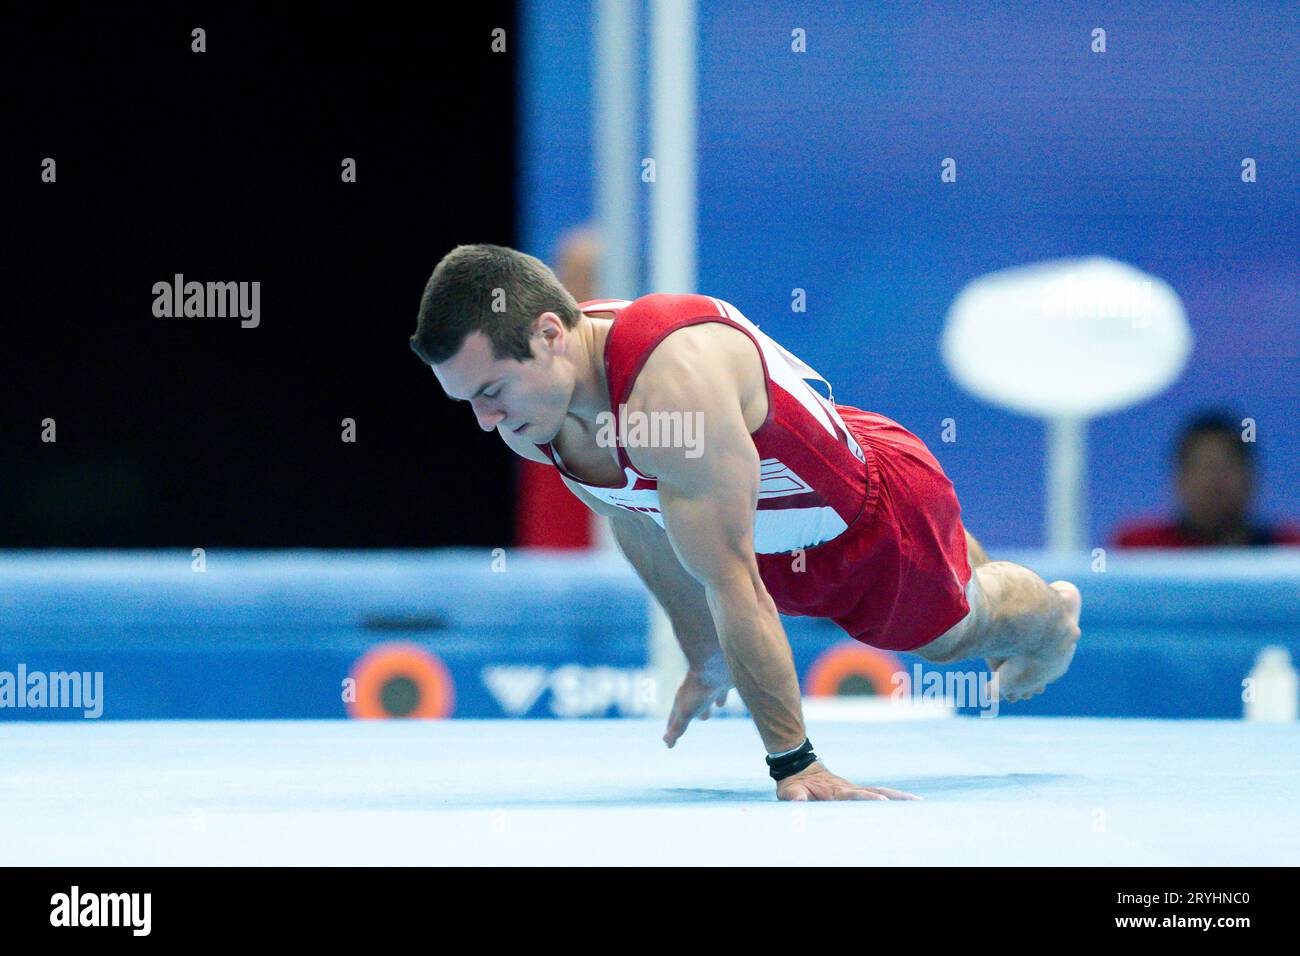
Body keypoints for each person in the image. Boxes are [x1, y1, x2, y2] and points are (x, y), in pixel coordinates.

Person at [409, 244, 1082, 801]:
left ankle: (1052, 618)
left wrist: (795, 763)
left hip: (868, 521)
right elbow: (642, 526)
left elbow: (732, 584)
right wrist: (704, 657)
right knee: (939, 581)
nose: (485, 421)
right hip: (775, 528)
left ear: (550, 334)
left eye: (491, 392)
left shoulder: (670, 387)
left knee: (951, 634)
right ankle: (975, 578)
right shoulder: (536, 417)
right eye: (468, 401)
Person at [1114, 411, 1300, 548]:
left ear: (1251, 478)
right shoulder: (1139, 549)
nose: (1213, 483)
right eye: (1202, 467)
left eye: (1226, 466)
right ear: (1179, 480)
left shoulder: (1290, 552)